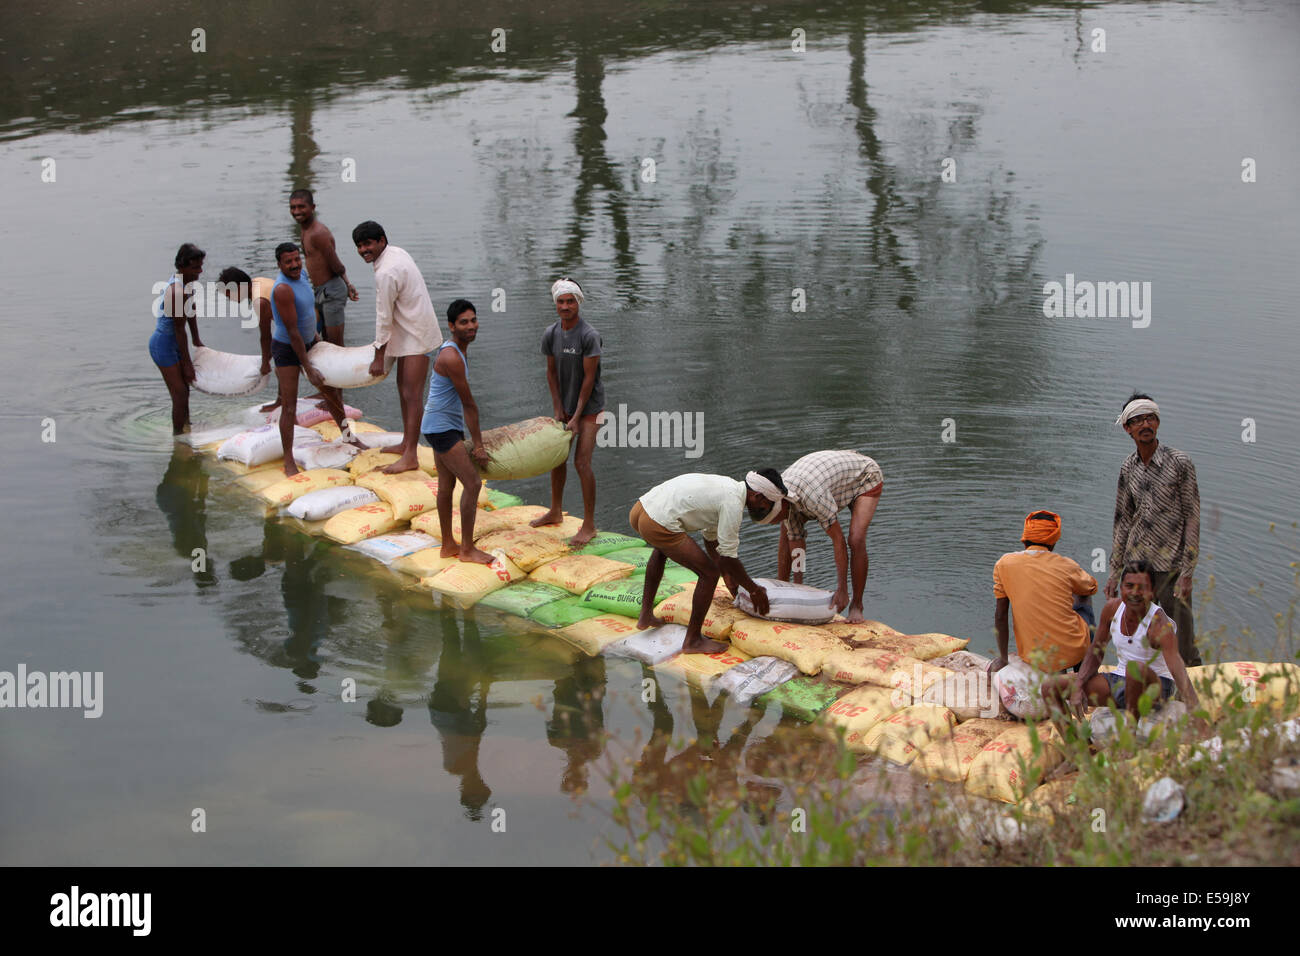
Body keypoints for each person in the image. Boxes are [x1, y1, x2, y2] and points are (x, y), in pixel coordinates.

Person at [629, 469, 788, 654]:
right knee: (710, 574)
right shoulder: (733, 503)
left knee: (662, 548)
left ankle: (645, 615)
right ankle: (693, 641)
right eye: (767, 504)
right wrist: (753, 590)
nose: (766, 509)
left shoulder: (727, 486)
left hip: (640, 510)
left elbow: (711, 539)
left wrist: (728, 578)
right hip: (656, 522)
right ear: (757, 496)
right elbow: (729, 558)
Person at [1107, 393, 1202, 666]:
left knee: (1182, 641)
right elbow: (1123, 520)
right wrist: (1114, 573)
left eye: (1150, 418)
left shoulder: (1179, 463)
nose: (1144, 425)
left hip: (1171, 568)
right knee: (1137, 637)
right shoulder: (1128, 468)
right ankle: (1140, 690)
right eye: (1137, 420)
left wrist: (1187, 573)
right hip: (1137, 568)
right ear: (1128, 428)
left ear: (1157, 422)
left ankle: (1192, 697)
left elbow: (1192, 517)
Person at [353, 221, 441, 474]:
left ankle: (411, 455)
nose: (363, 250)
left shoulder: (386, 271)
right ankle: (406, 443)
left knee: (412, 394)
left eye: (368, 244)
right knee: (403, 390)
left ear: (381, 240)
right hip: (409, 331)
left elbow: (384, 315)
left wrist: (378, 356)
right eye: (359, 246)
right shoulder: (396, 253)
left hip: (417, 335)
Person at [1072, 560, 1203, 729]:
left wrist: (1197, 714)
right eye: (1129, 586)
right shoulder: (1112, 608)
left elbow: (1177, 667)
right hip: (1121, 679)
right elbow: (1096, 650)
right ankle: (1078, 744)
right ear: (1121, 588)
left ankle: (1130, 735)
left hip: (1157, 687)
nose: (1135, 593)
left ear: (1152, 592)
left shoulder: (1160, 624)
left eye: (1142, 588)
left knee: (1135, 669)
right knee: (1053, 687)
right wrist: (1079, 684)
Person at [268, 242, 359, 476]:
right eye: (288, 262)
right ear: (279, 265)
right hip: (287, 348)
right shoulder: (282, 289)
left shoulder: (303, 276)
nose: (294, 265)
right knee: (289, 406)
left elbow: (308, 313)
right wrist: (307, 367)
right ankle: (288, 460)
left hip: (309, 342)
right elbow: (292, 330)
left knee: (331, 393)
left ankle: (350, 437)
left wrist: (317, 338)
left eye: (296, 259)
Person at [530, 277, 602, 548]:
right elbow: (550, 373)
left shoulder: (589, 336)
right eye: (561, 302)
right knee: (556, 459)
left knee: (582, 463)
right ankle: (555, 510)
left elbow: (588, 379)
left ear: (578, 303)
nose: (565, 306)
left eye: (570, 301)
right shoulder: (551, 333)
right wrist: (558, 408)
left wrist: (576, 416)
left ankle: (589, 524)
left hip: (591, 409)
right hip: (565, 408)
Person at [422, 299, 494, 564]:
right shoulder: (451, 356)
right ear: (452, 326)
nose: (471, 326)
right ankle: (466, 549)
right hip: (442, 429)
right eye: (464, 322)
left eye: (473, 320)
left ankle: (447, 545)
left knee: (446, 485)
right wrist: (478, 445)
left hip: (439, 426)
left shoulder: (457, 351)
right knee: (473, 483)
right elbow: (469, 404)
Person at [775, 450, 884, 623]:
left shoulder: (814, 498)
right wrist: (798, 587)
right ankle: (785, 587)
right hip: (833, 482)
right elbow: (797, 545)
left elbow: (837, 540)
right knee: (786, 531)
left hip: (864, 476)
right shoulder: (780, 496)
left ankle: (856, 605)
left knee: (855, 539)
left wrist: (842, 589)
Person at [991, 510, 1098, 676]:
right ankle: (1083, 670)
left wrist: (1003, 658)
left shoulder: (1004, 564)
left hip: (1034, 656)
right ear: (1054, 541)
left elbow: (1000, 615)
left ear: (1024, 538)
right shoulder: (1066, 565)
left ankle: (1058, 669)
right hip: (1073, 651)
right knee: (1083, 596)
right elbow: (1091, 587)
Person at [149, 243, 206, 434]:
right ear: (181, 267)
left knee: (185, 392)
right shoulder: (176, 292)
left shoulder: (187, 283)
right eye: (195, 268)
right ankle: (177, 435)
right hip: (163, 345)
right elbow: (180, 331)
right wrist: (187, 364)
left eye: (200, 266)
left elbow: (191, 312)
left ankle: (186, 427)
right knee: (180, 394)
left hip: (174, 343)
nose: (199, 271)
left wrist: (197, 340)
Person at [290, 189, 358, 348]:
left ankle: (343, 371)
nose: (297, 211)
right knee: (322, 340)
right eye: (293, 207)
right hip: (319, 291)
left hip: (332, 291)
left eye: (301, 207)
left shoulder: (318, 233)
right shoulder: (305, 229)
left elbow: (336, 265)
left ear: (312, 207)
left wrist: (348, 285)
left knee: (335, 345)